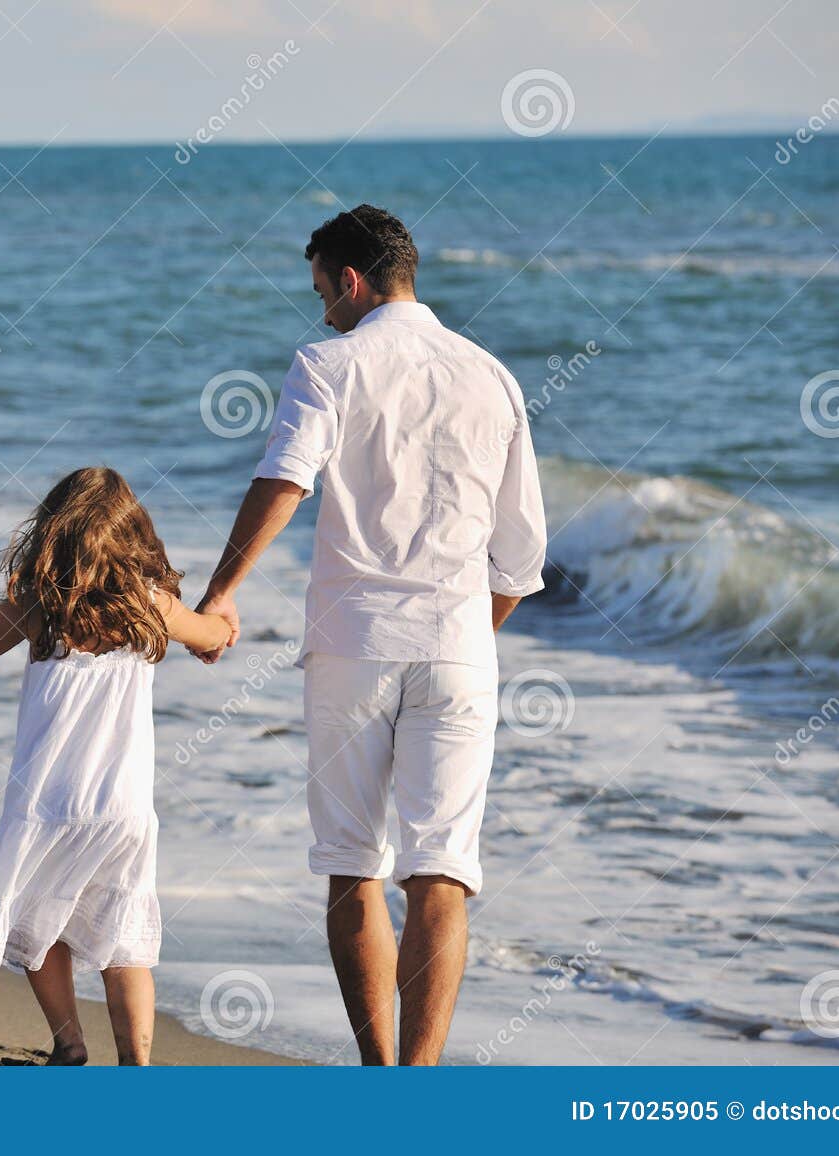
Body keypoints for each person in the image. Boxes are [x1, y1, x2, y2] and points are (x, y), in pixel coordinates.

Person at [191, 204, 547, 1065]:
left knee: (354, 869)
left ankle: (378, 1079)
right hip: (462, 652)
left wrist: (218, 596)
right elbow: (522, 554)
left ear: (352, 281)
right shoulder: (492, 375)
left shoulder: (329, 362)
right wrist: (466, 632)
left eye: (322, 291)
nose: (320, 311)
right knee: (442, 873)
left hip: (354, 645)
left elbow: (285, 478)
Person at [0, 467, 232, 1065]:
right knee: (126, 940)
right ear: (134, 535)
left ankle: (69, 1042)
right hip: (125, 810)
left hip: (48, 804)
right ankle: (136, 1065)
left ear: (53, 532)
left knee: (37, 920)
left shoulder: (38, 606)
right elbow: (211, 631)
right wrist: (221, 625)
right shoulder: (151, 605)